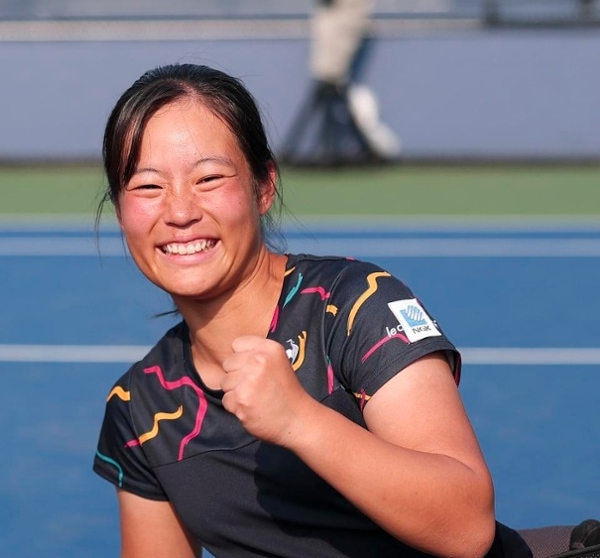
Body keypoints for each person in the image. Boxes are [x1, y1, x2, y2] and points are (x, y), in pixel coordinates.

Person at [91, 63, 596, 558]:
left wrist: (299, 421)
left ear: (263, 186)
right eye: (148, 186)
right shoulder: (140, 409)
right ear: (120, 210)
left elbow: (466, 529)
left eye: (209, 178)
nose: (180, 211)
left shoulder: (358, 307)